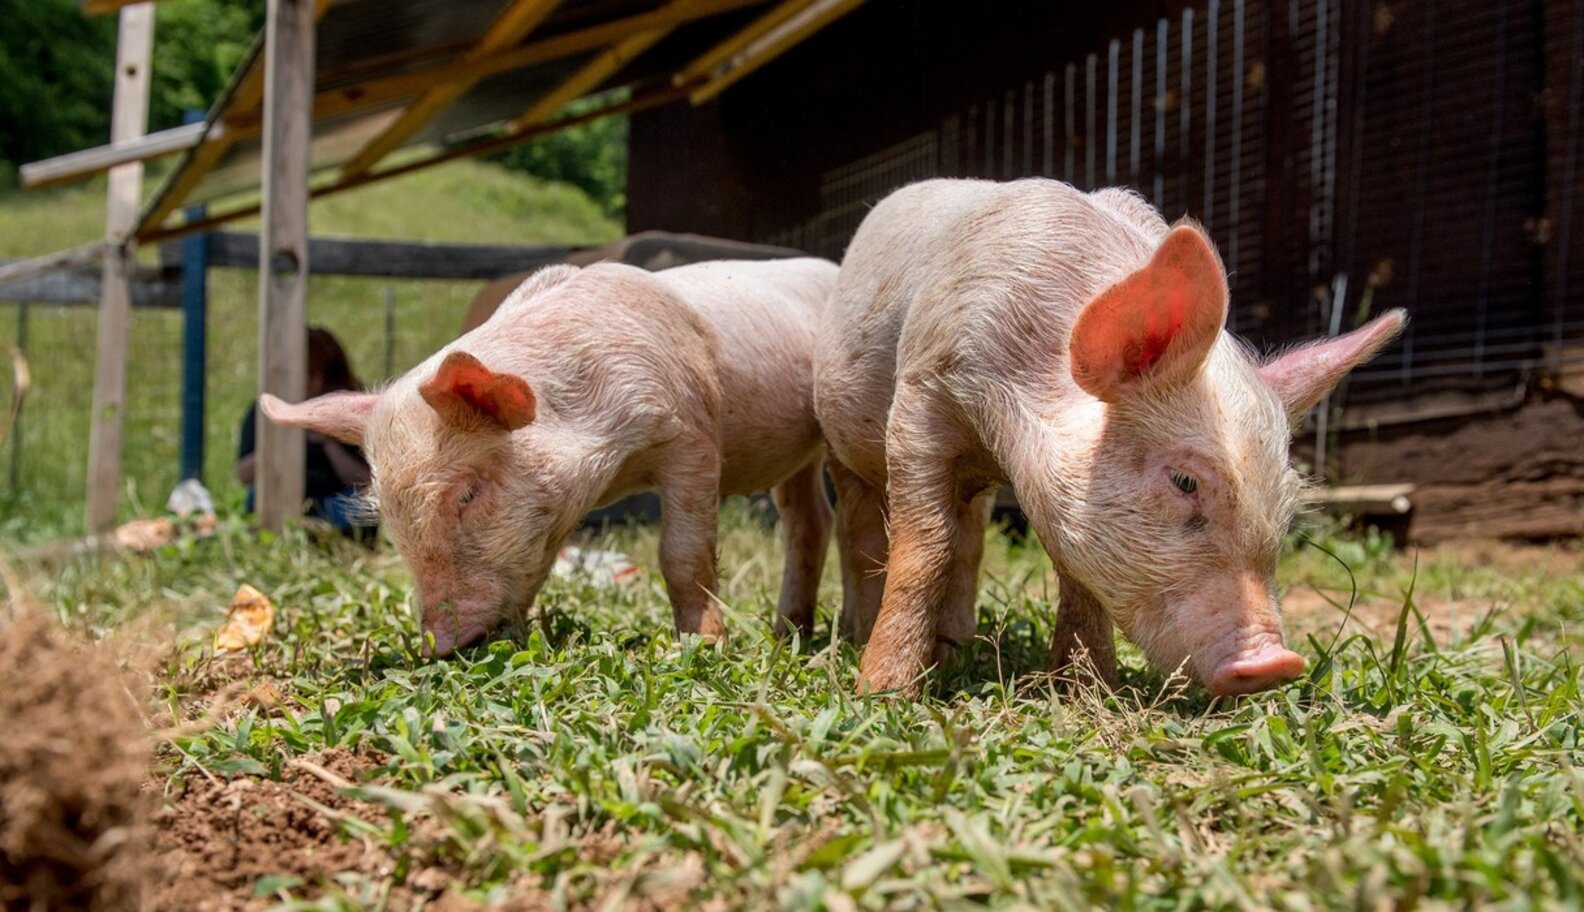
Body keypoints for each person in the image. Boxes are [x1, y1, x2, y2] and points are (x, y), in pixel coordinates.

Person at [236, 327, 376, 539]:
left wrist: (329, 441)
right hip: (282, 497)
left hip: (335, 500)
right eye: (307, 374)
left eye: (324, 376)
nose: (316, 384)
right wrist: (283, 440)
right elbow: (244, 475)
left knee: (364, 508)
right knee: (257, 496)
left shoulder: (353, 409)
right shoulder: (264, 409)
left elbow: (367, 481)